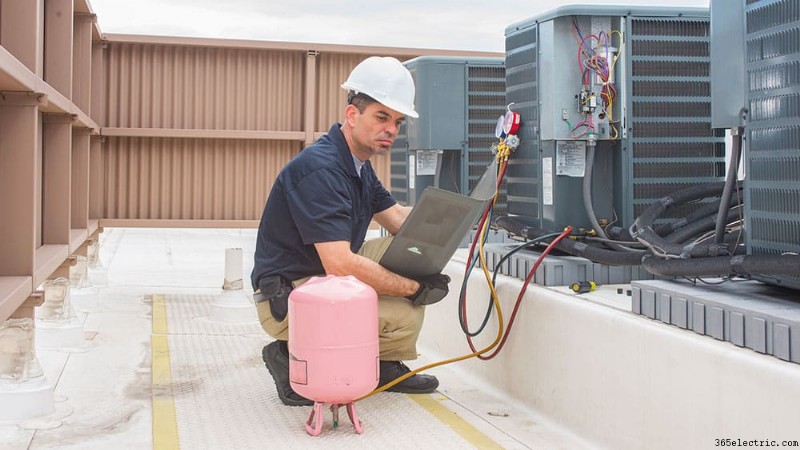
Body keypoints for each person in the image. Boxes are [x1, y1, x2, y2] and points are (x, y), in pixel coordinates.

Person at [251, 56, 452, 406]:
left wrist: (451, 226)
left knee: (411, 255)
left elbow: (398, 222)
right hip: (289, 297)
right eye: (381, 117)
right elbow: (340, 264)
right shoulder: (321, 169)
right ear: (352, 114)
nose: (391, 129)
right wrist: (413, 289)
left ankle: (381, 364)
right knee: (405, 313)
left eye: (398, 121)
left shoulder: (357, 165)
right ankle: (288, 353)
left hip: (320, 277)